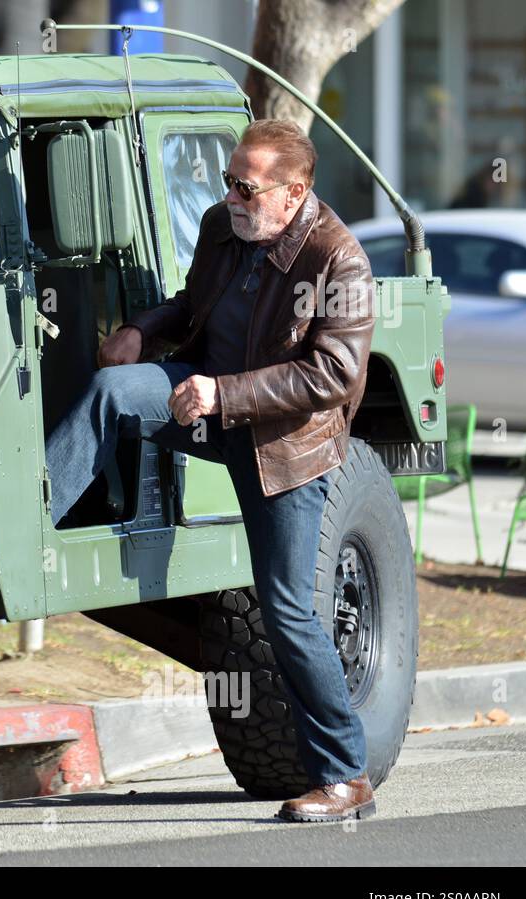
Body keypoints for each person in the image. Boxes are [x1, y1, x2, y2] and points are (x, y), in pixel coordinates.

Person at [44, 119, 378, 823]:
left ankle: (347, 776)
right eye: (228, 181)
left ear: (293, 194)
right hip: (203, 399)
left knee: (286, 609)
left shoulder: (338, 259)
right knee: (112, 391)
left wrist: (226, 394)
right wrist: (144, 328)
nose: (230, 195)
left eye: (245, 187)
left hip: (283, 446)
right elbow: (194, 307)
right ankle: (30, 530)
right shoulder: (221, 227)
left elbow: (335, 375)